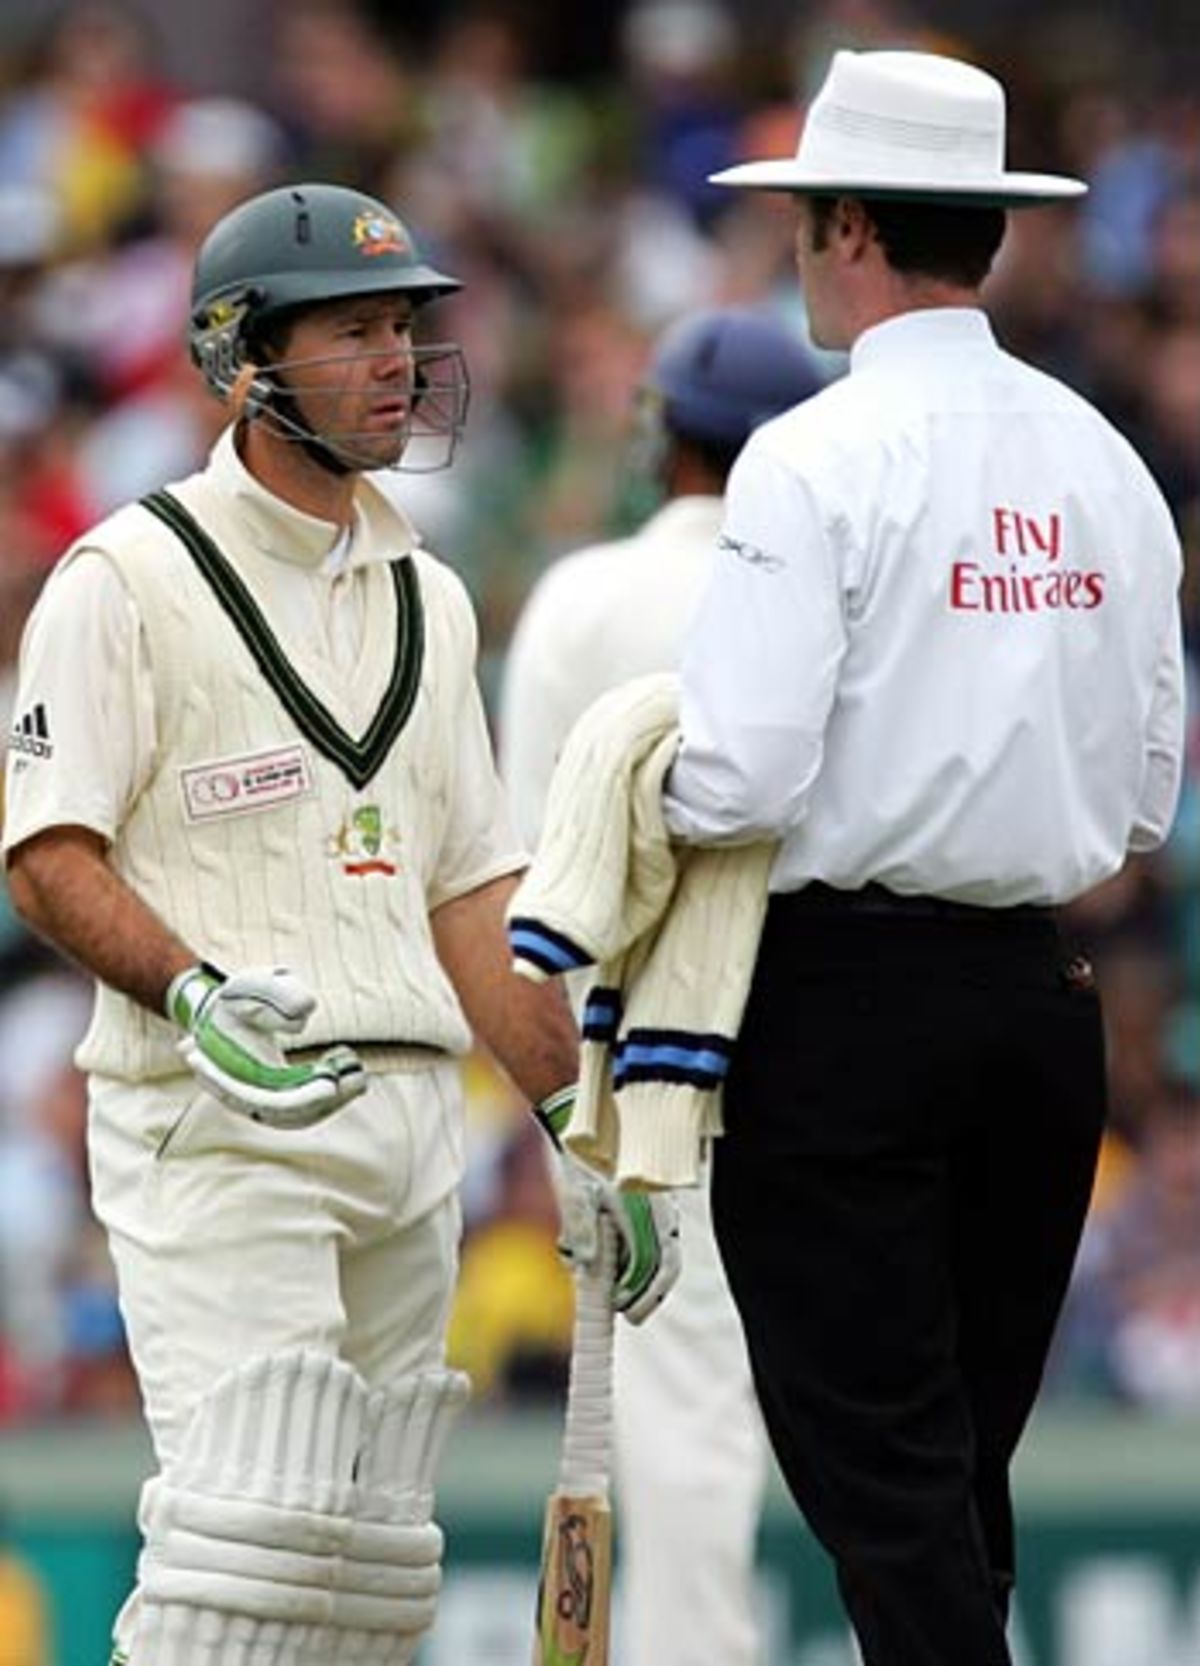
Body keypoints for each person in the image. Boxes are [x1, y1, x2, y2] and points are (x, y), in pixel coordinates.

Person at [1, 181, 676, 1666]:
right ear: (245, 360)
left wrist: (581, 1121)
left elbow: (469, 895)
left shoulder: (429, 596)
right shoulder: (126, 577)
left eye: (405, 327)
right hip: (217, 1114)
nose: (397, 360)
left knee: (366, 1576)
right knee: (252, 1541)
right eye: (354, 330)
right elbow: (45, 852)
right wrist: (190, 998)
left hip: (411, 1127)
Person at [658, 50, 1186, 1666]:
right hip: (1040, 995)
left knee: (886, 1484)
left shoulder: (809, 457)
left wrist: (625, 789)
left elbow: (736, 774)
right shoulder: (1103, 457)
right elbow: (1151, 793)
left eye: (813, 217)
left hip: (845, 1009)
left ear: (852, 227)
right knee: (953, 1478)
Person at [502, 305, 821, 1666]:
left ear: (663, 440)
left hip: (638, 1066)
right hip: (830, 1020)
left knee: (682, 1422)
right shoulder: (831, 584)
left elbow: (525, 881)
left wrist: (547, 1110)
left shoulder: (583, 594)